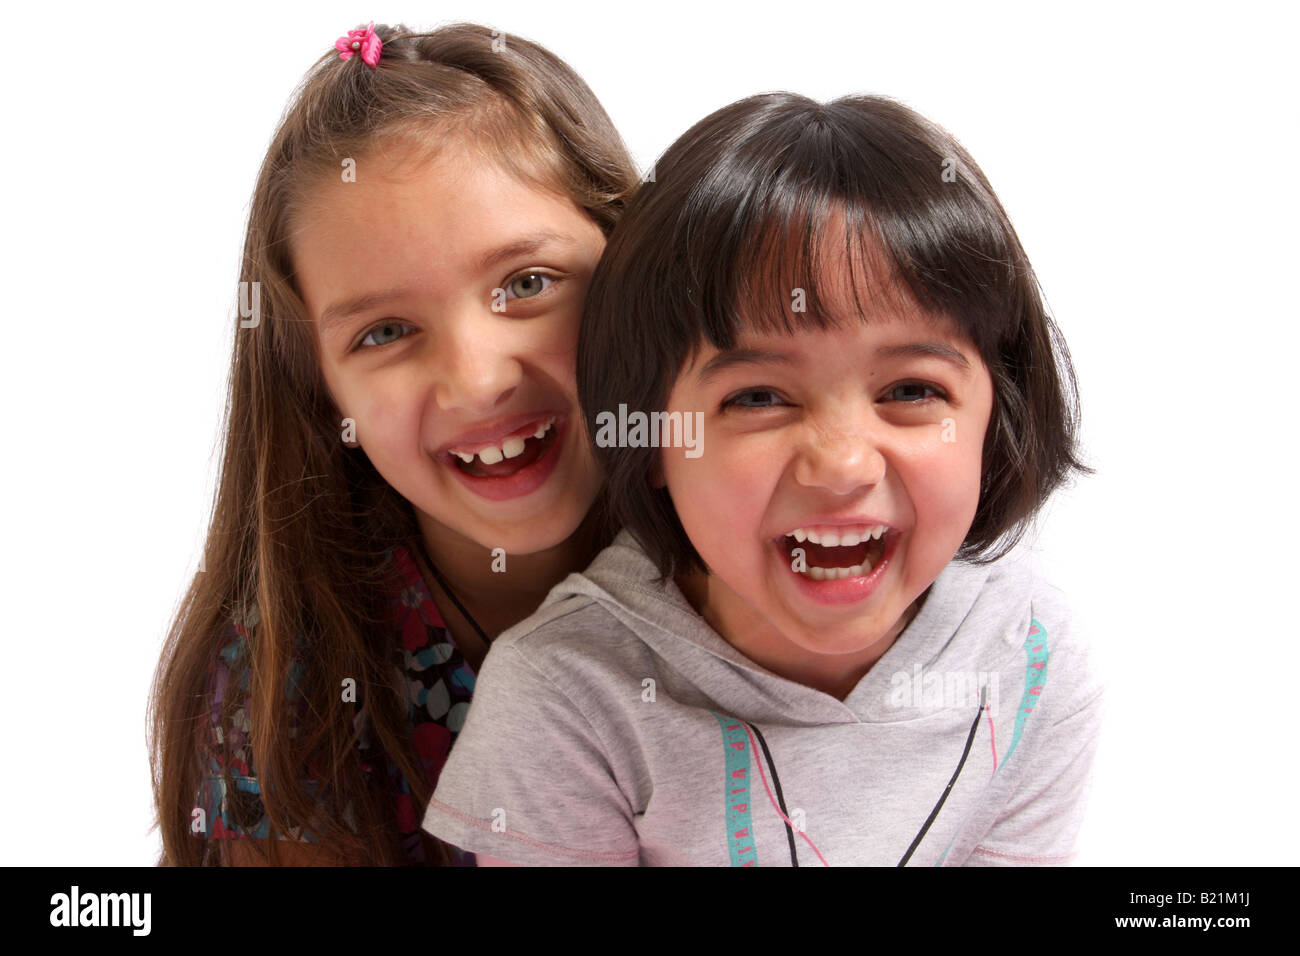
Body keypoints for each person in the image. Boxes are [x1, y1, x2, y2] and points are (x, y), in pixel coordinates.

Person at [422, 92, 1103, 865]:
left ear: (999, 415)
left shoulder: (1031, 650)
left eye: (911, 391)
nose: (843, 463)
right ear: (648, 439)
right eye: (757, 398)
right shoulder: (566, 694)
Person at [148, 20, 641, 866]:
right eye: (384, 333)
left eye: (526, 284)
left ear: (637, 265)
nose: (475, 380)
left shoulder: (766, 550)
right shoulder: (289, 683)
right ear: (320, 389)